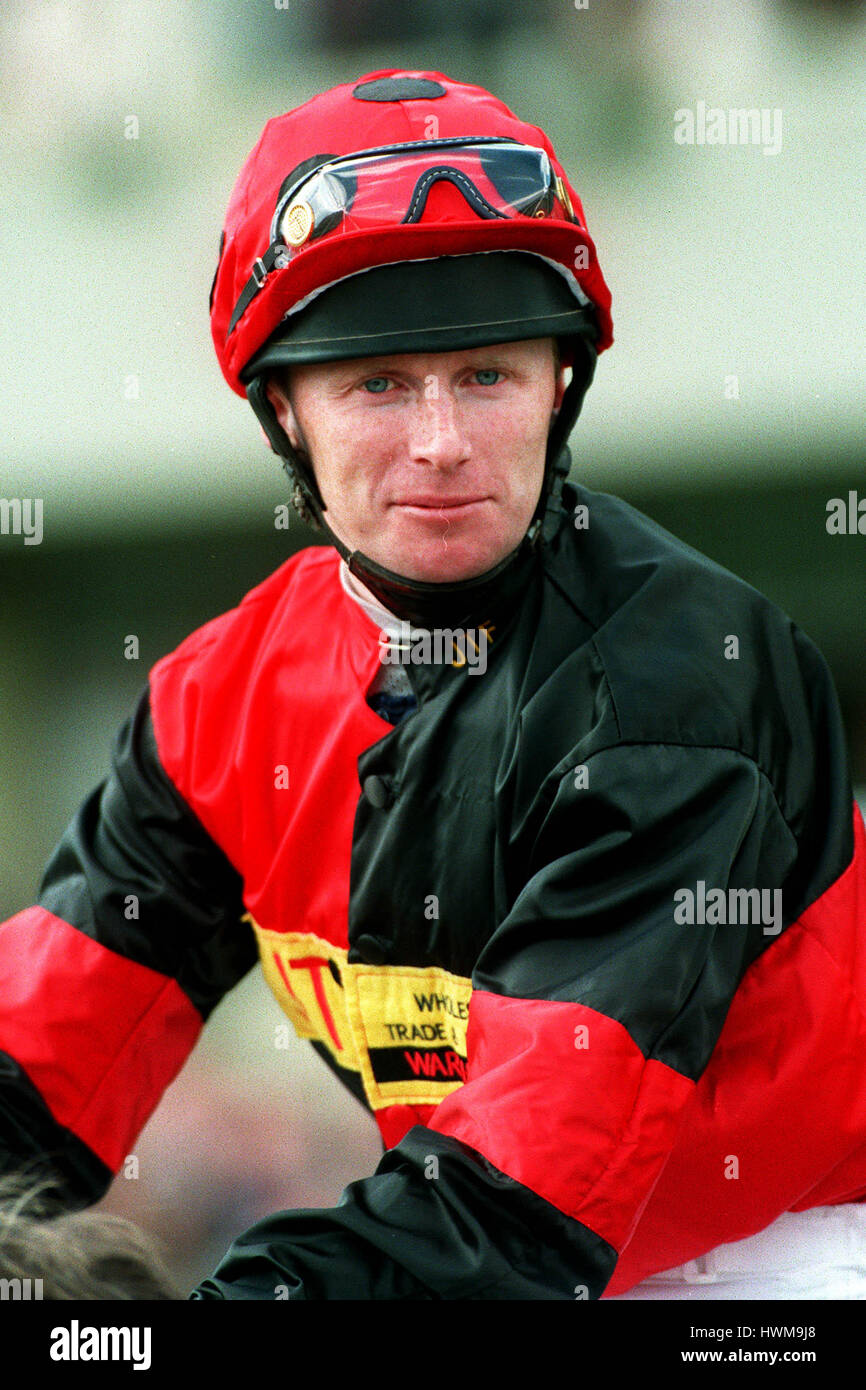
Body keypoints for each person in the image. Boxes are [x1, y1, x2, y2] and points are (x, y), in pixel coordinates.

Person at [0, 68, 864, 1302]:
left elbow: (516, 1205)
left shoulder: (678, 686)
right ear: (280, 414)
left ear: (561, 385)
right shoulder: (217, 702)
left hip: (776, 1262)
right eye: (377, 384)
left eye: (487, 375)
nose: (442, 442)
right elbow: (42, 1059)